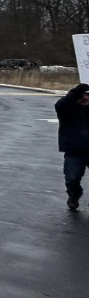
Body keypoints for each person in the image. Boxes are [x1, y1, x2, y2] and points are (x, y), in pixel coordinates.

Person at [56, 83, 89, 211]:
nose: (85, 98)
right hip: (75, 151)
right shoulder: (68, 111)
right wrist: (75, 93)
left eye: (88, 95)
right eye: (83, 95)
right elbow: (60, 105)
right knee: (72, 179)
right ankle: (74, 194)